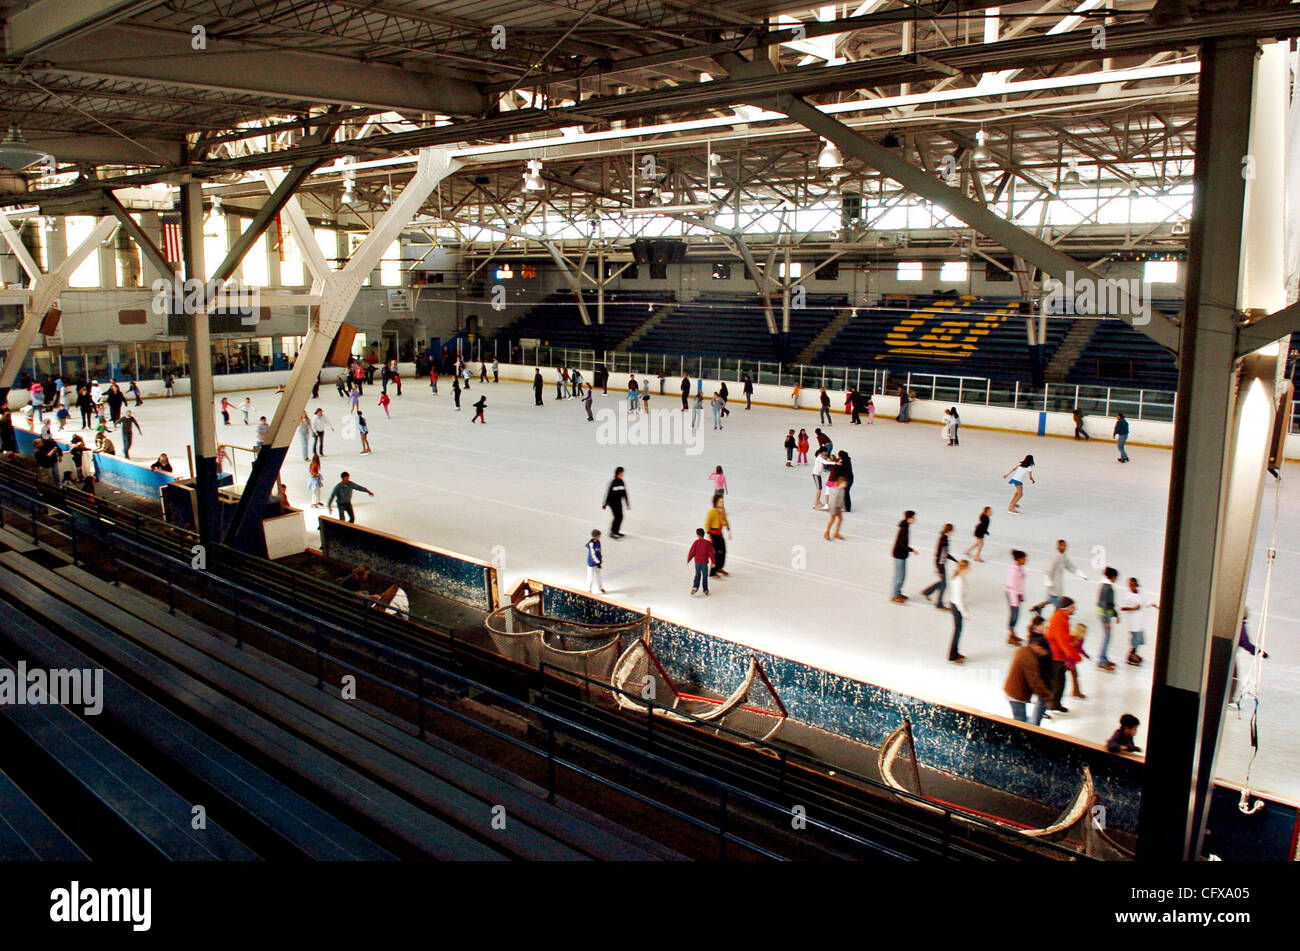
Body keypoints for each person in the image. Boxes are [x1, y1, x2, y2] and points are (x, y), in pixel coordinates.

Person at [1004, 633, 1059, 725]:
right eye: (1043, 651)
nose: (1043, 653)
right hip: (1016, 694)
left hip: (1013, 690)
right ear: (1038, 647)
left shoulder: (1024, 650)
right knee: (1020, 720)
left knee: (1021, 718)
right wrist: (1047, 697)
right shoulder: (1030, 659)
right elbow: (1035, 682)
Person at [1032, 539, 1087, 613]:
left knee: (1051, 600)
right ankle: (1054, 620)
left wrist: (1081, 574)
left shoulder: (1063, 556)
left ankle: (1038, 607)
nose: (1064, 547)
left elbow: (1070, 566)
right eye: (1062, 545)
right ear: (1058, 546)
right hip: (1053, 585)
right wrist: (1048, 582)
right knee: (1058, 604)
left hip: (1058, 585)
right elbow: (1048, 570)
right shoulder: (1056, 557)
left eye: (1065, 545)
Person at [1045, 598, 1078, 712]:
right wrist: (1074, 655)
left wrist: (1072, 638)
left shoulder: (1062, 618)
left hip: (1057, 655)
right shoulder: (1060, 619)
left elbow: (1063, 637)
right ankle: (1051, 704)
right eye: (1073, 607)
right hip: (1055, 656)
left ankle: (1054, 703)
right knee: (1057, 682)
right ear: (1067, 608)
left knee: (1059, 682)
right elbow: (1062, 641)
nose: (1075, 609)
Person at [1119, 577, 1157, 666]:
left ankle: (1134, 654)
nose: (1131, 587)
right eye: (1129, 585)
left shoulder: (1141, 594)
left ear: (1136, 585)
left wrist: (1155, 605)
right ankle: (1130, 656)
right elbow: (1122, 607)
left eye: (1132, 585)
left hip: (1140, 622)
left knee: (1139, 640)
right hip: (1133, 623)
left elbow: (1147, 601)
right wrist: (1133, 608)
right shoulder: (1127, 595)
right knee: (1134, 641)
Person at [921, 524, 958, 609]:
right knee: (944, 584)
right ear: (950, 531)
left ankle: (927, 592)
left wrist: (955, 561)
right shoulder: (944, 541)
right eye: (952, 531)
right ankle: (939, 604)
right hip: (940, 564)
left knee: (942, 583)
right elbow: (943, 556)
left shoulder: (944, 538)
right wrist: (940, 569)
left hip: (939, 563)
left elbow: (945, 554)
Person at [890, 511, 918, 603]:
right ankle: (894, 595)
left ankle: (898, 593)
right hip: (899, 555)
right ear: (909, 518)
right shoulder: (904, 528)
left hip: (902, 555)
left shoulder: (906, 526)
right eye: (913, 517)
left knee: (902, 575)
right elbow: (902, 544)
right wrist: (911, 550)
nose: (914, 519)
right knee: (899, 576)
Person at [1095, 567, 1120, 672]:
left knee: (1108, 636)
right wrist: (1107, 621)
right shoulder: (1106, 588)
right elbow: (1105, 605)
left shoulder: (1107, 586)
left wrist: (1115, 614)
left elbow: (1110, 604)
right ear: (1113, 577)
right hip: (1104, 615)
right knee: (1107, 637)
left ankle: (1104, 658)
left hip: (1106, 614)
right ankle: (1101, 661)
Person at [948, 559, 971, 663]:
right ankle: (952, 656)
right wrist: (964, 612)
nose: (970, 569)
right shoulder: (959, 581)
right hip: (956, 607)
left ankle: (955, 652)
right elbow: (959, 599)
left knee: (958, 631)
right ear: (963, 568)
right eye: (968, 567)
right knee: (957, 631)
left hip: (957, 606)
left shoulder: (961, 578)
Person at [705, 494, 731, 577]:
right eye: (720, 501)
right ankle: (712, 572)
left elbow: (725, 520)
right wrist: (708, 535)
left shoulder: (723, 510)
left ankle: (719, 567)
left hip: (719, 534)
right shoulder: (712, 512)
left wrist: (728, 530)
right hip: (713, 535)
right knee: (716, 553)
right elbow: (707, 524)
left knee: (723, 551)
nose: (721, 503)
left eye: (722, 501)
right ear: (715, 502)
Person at [1006, 549, 1027, 645]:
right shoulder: (1014, 570)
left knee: (1016, 616)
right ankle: (1010, 636)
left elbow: (1020, 583)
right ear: (1018, 559)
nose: (1025, 560)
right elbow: (1012, 586)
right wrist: (1014, 601)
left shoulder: (1019, 568)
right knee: (1014, 615)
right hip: (1012, 594)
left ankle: (1013, 633)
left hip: (1017, 594)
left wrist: (1021, 594)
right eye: (1023, 559)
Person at [687, 528, 714, 596]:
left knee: (697, 575)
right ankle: (705, 590)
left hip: (698, 562)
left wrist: (689, 559)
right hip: (704, 562)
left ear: (698, 535)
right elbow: (711, 553)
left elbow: (692, 551)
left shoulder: (696, 542)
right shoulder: (708, 543)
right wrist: (713, 562)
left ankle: (695, 587)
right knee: (705, 576)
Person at [603, 467, 629, 538]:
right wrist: (605, 503)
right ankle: (612, 532)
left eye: (622, 473)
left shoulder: (622, 482)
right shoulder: (613, 482)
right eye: (620, 473)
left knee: (620, 517)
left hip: (618, 502)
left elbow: (624, 493)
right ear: (617, 473)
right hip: (612, 503)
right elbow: (608, 493)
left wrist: (627, 503)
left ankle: (616, 531)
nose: (622, 475)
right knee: (617, 517)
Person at [824, 466, 846, 540]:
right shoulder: (835, 490)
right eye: (844, 483)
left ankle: (836, 532)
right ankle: (827, 532)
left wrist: (843, 507)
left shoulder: (842, 490)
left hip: (838, 507)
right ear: (840, 483)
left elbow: (842, 499)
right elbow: (833, 500)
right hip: (834, 507)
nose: (845, 485)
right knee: (832, 520)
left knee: (840, 519)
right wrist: (833, 508)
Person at [585, 529, 606, 593]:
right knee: (590, 577)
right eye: (599, 536)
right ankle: (589, 589)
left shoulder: (598, 542)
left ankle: (600, 588)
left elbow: (599, 552)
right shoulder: (591, 544)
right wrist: (597, 562)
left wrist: (600, 560)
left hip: (597, 562)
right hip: (591, 563)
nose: (600, 537)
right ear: (596, 536)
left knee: (598, 576)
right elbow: (592, 555)